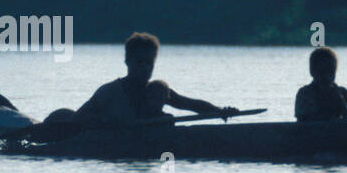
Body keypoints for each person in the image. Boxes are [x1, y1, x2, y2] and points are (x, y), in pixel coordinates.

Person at [74, 32, 234, 125]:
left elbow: (191, 104)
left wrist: (220, 111)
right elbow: (78, 119)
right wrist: (104, 120)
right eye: (139, 62)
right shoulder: (109, 92)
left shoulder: (155, 91)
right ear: (127, 61)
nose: (144, 68)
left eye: (149, 63)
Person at [294, 47, 347, 122]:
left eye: (330, 71)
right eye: (322, 71)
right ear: (312, 71)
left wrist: (340, 100)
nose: (327, 76)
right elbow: (300, 124)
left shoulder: (342, 93)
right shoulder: (304, 93)